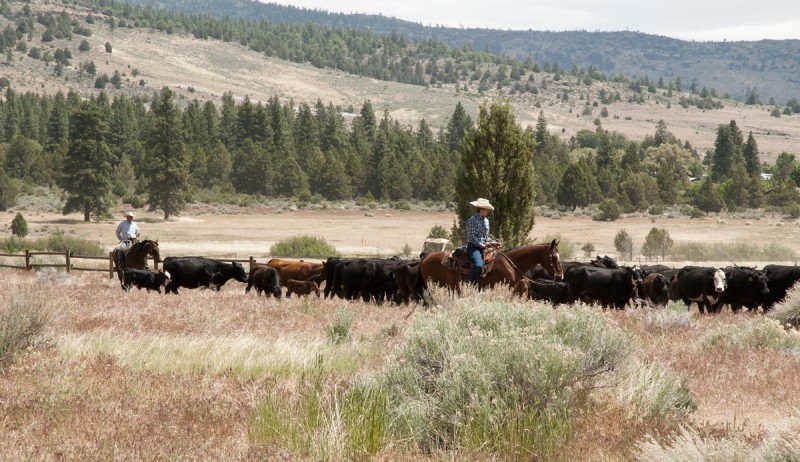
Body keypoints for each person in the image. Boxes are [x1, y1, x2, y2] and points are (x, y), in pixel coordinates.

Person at [465, 198, 495, 284]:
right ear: (480, 209)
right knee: (478, 265)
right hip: (473, 247)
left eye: (487, 209)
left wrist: (493, 243)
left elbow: (486, 237)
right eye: (486, 209)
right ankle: (468, 284)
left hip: (484, 246)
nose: (487, 211)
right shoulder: (472, 220)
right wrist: (483, 245)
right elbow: (472, 237)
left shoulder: (486, 221)